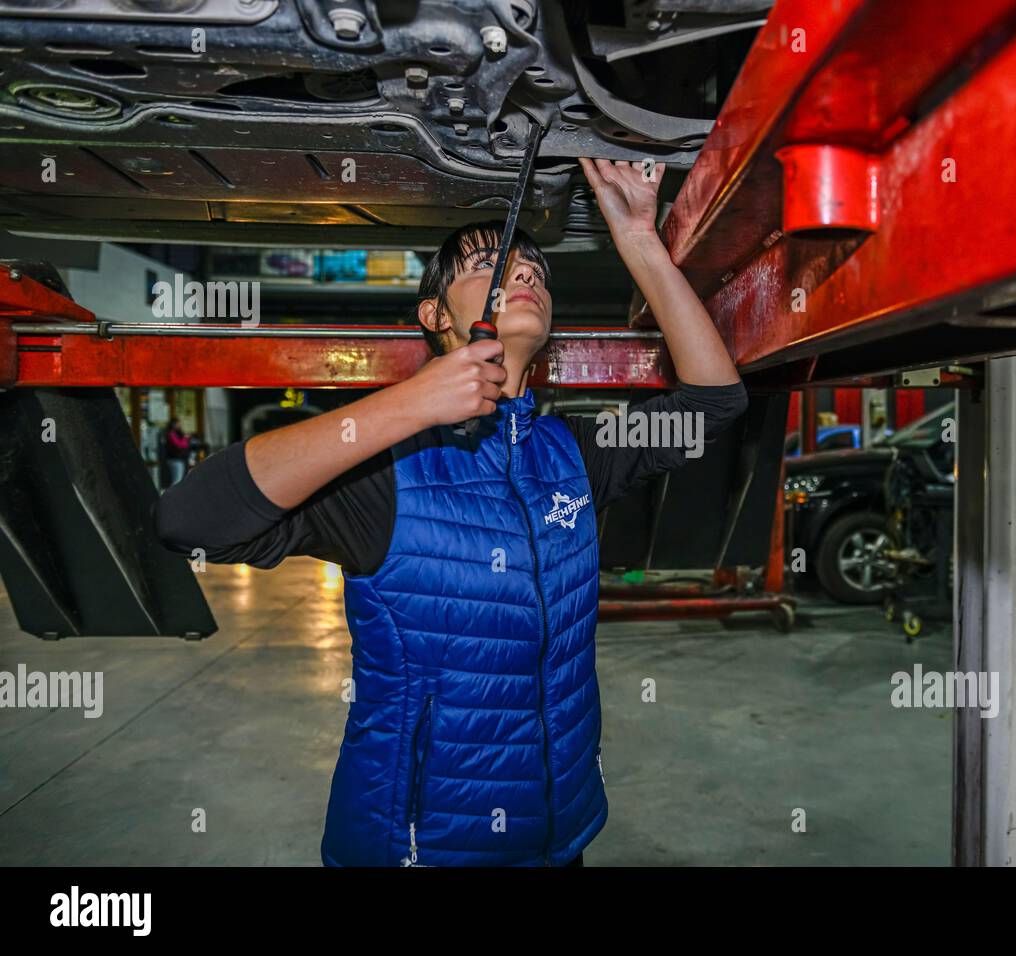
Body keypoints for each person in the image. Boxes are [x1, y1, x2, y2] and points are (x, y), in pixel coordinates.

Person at [153, 158, 747, 867]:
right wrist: (411, 403)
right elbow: (188, 520)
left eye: (535, 268)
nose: (525, 272)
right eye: (490, 265)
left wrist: (638, 240)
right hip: (421, 850)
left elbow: (715, 404)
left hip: (560, 834)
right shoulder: (390, 474)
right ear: (435, 317)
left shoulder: (574, 456)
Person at [161, 418, 191, 489]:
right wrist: (185, 438)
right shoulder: (171, 434)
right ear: (173, 424)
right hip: (175, 459)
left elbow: (184, 445)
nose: (179, 425)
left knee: (178, 480)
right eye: (177, 423)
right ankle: (172, 498)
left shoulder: (177, 433)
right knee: (177, 481)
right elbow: (179, 444)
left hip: (178, 459)